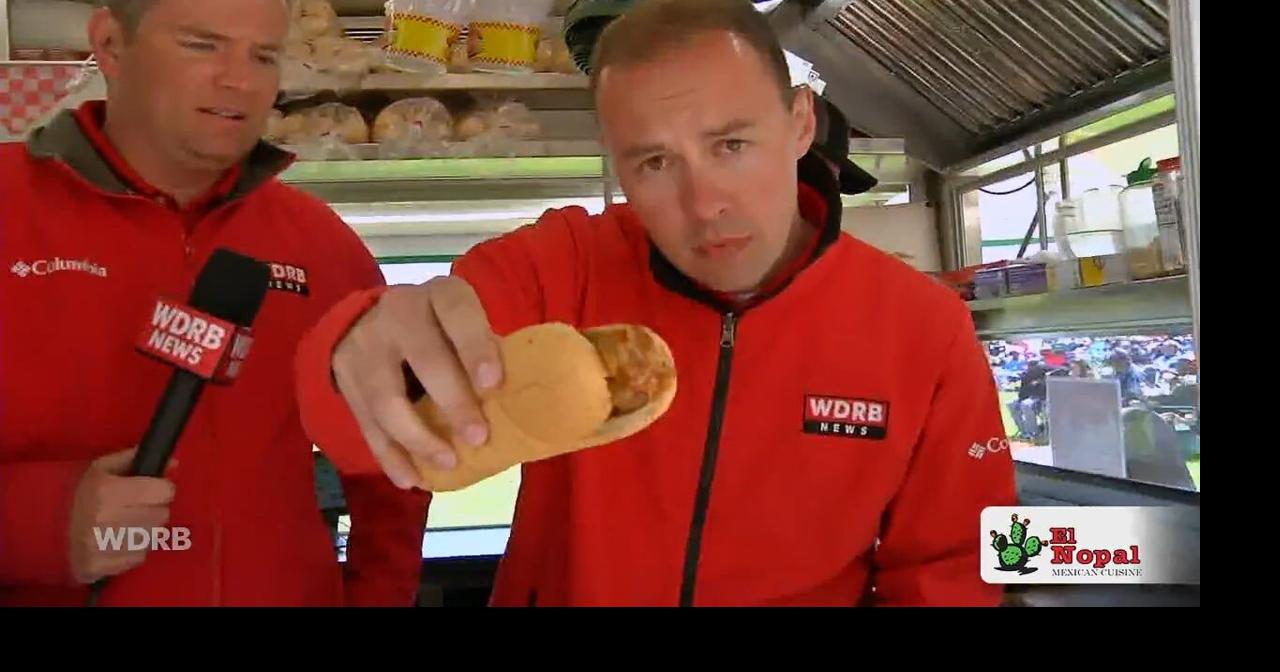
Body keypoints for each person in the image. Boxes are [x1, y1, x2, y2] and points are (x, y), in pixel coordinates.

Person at [296, 0, 1016, 606]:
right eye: (655, 163)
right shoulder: (561, 265)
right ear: (617, 164)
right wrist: (359, 349)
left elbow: (954, 571)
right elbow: (361, 422)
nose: (704, 205)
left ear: (800, 124)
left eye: (731, 144)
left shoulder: (922, 329)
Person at [0, 0, 428, 606]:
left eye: (264, 55)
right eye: (203, 45)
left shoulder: (320, 244)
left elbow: (394, 470)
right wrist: (39, 524)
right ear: (112, 46)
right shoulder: (9, 208)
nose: (240, 80)